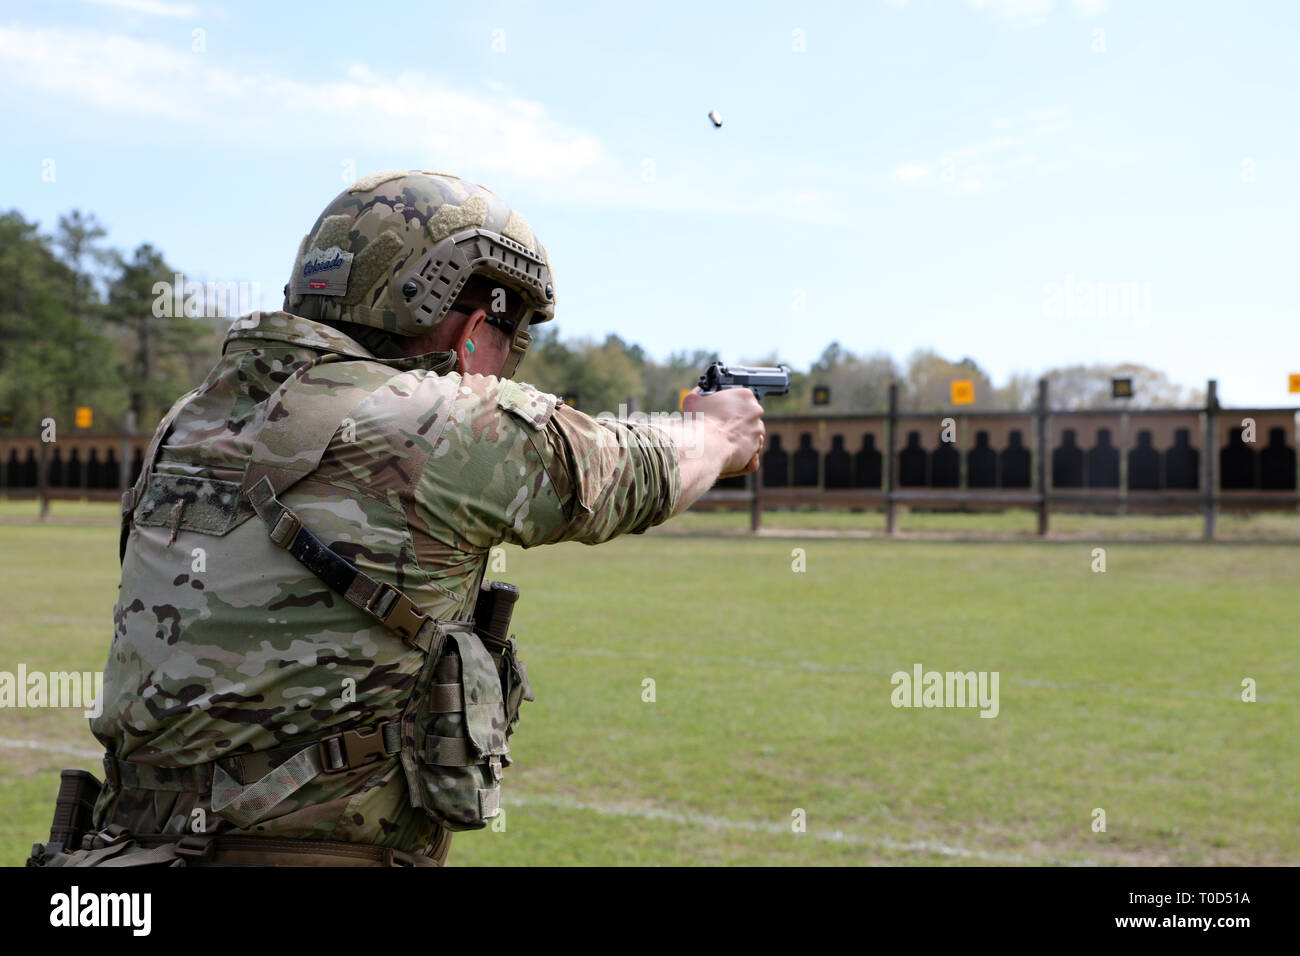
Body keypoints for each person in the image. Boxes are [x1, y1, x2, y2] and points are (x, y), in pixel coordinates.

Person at [40, 169, 763, 867]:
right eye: (511, 341)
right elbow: (625, 471)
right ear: (475, 328)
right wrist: (720, 434)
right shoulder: (429, 421)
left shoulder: (190, 420)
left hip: (121, 865)